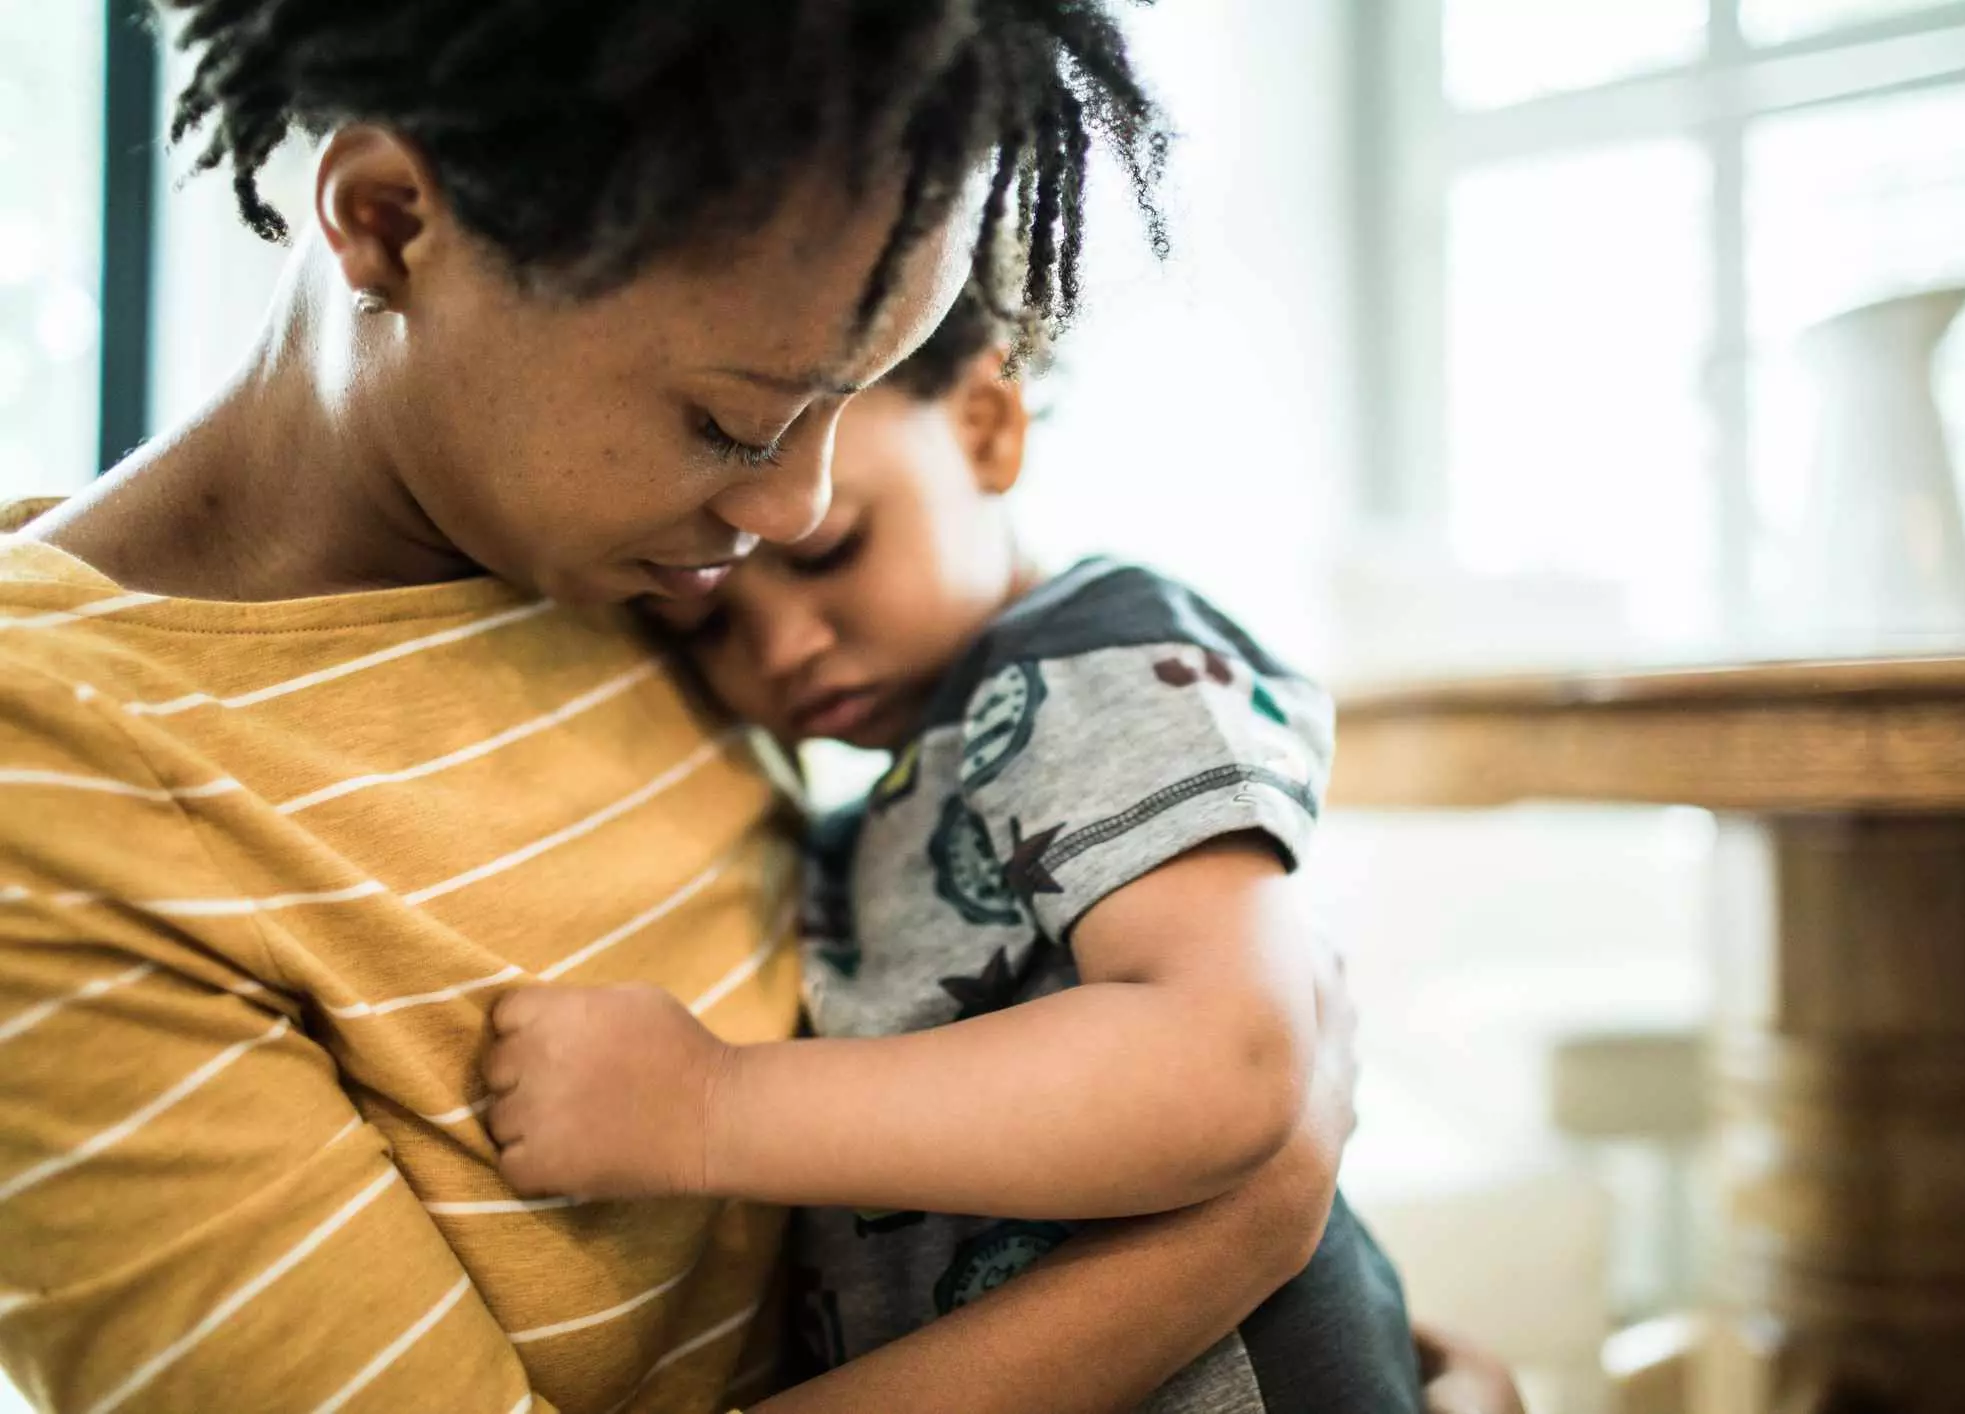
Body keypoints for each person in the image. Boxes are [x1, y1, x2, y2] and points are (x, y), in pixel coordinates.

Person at [0, 5, 1365, 1412]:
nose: (794, 507)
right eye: (731, 421)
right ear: (392, 219)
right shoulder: (52, 782)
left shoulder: (626, 560)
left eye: (847, 402)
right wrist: (1235, 1241)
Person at [483, 288, 1429, 1414]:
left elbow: (1224, 1062)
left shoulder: (1099, 656)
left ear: (986, 424)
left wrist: (708, 1103)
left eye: (831, 547)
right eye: (708, 622)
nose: (783, 643)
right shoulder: (897, 785)